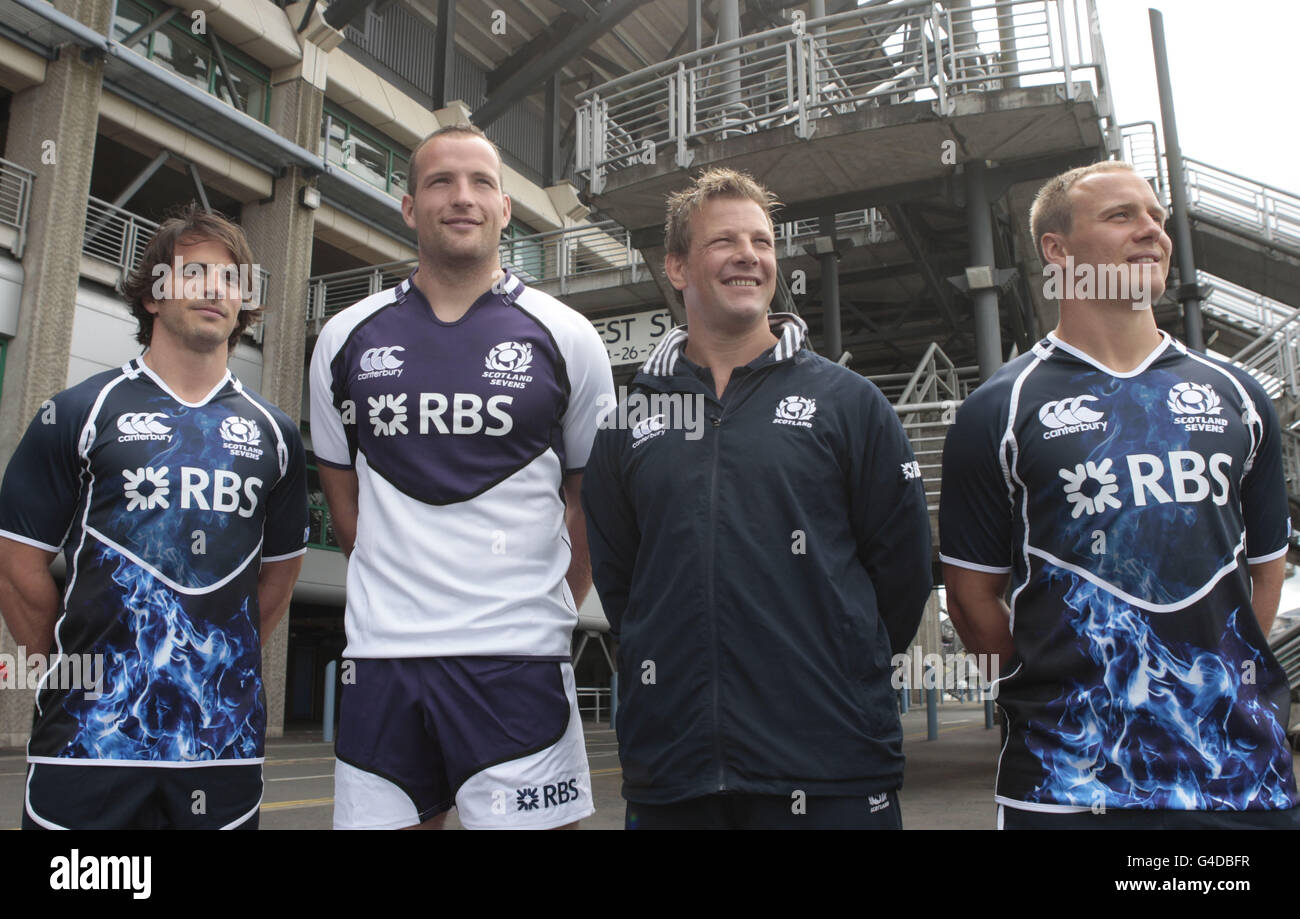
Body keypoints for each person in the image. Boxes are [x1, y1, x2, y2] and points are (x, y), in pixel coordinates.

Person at [939, 161, 1299, 829]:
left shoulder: (1240, 397)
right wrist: (1052, 694)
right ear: (1058, 250)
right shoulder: (999, 409)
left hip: (1239, 780)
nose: (1152, 231)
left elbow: (1264, 577)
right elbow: (969, 599)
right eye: (1121, 216)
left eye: (1157, 218)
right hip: (1068, 782)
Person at [582, 167, 933, 830]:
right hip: (673, 774)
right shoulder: (625, 422)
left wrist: (831, 663)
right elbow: (627, 589)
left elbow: (902, 577)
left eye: (763, 241)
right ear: (678, 267)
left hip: (831, 767)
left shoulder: (849, 403)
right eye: (724, 242)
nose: (749, 255)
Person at [310, 124, 613, 830]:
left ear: (506, 208)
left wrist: (544, 610)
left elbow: (589, 503)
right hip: (382, 659)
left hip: (518, 660)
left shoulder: (568, 336)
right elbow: (343, 498)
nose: (462, 197)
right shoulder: (346, 336)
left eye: (481, 182)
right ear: (411, 206)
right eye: (441, 182)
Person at [0, 205, 308, 829]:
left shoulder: (276, 434)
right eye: (193, 272)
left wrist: (212, 665)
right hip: (88, 741)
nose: (215, 289)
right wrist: (74, 667)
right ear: (152, 294)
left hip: (221, 744)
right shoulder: (81, 411)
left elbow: (276, 580)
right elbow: (15, 564)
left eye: (231, 278)